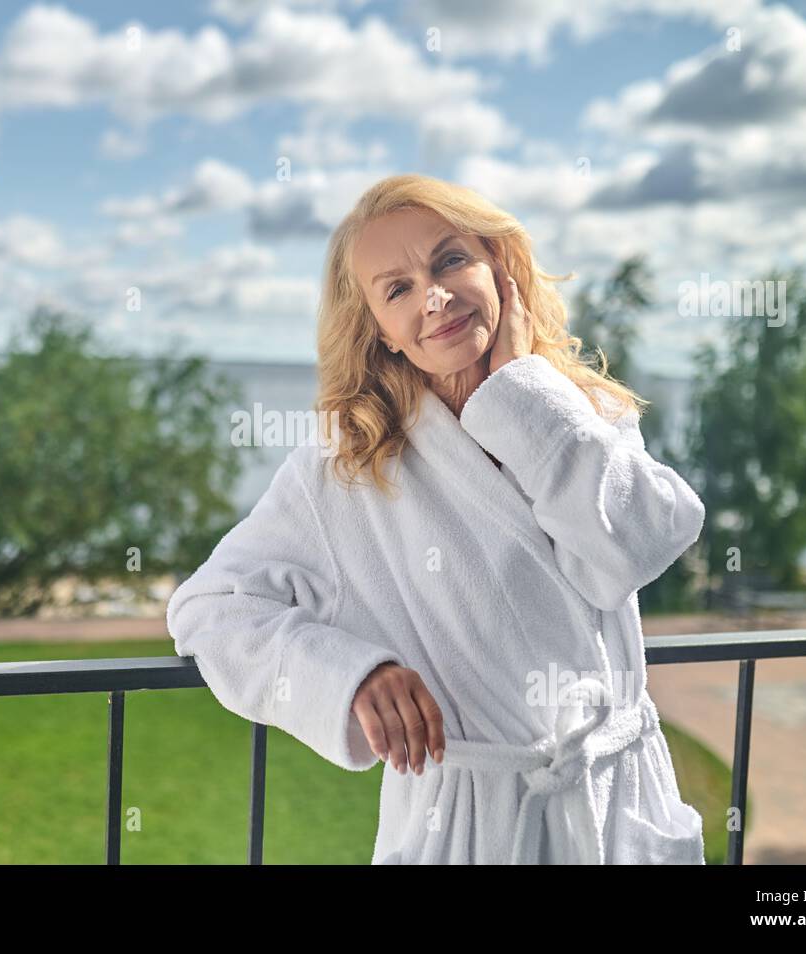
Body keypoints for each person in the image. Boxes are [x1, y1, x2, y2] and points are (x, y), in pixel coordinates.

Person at [166, 173, 707, 864]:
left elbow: (637, 547)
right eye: (397, 288)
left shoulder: (583, 411)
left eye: (450, 260)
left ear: (498, 265)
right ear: (381, 331)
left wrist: (520, 396)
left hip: (621, 812)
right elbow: (211, 608)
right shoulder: (351, 467)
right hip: (471, 831)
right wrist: (349, 675)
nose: (436, 297)